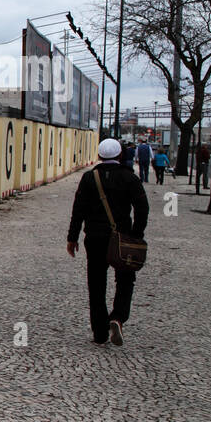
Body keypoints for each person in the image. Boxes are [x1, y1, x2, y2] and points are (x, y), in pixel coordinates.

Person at [67, 138, 149, 346]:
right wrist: (136, 234)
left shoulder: (88, 178)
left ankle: (100, 332)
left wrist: (72, 237)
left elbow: (78, 210)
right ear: (120, 155)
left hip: (94, 238)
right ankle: (118, 317)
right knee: (125, 279)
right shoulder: (129, 178)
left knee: (96, 282)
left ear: (100, 156)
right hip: (122, 238)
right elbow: (142, 207)